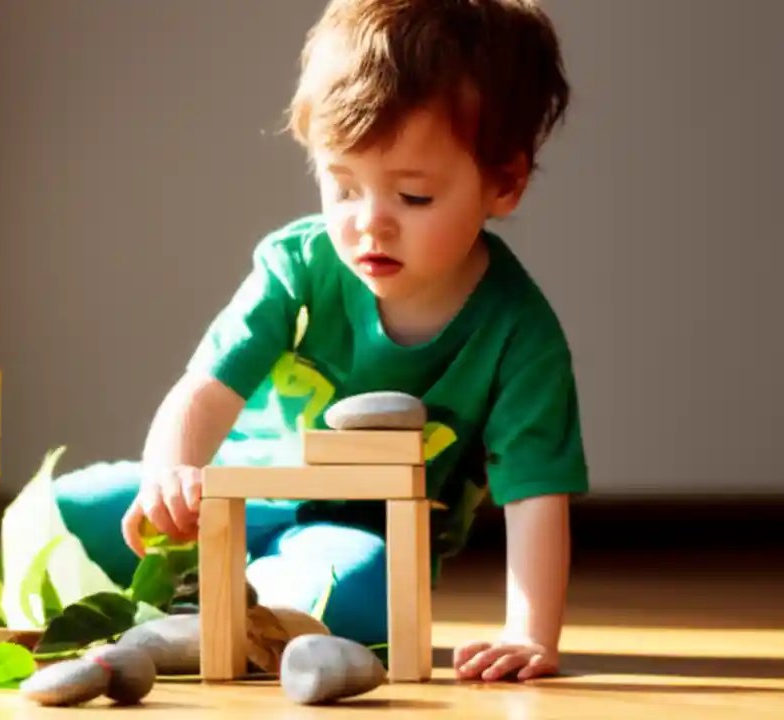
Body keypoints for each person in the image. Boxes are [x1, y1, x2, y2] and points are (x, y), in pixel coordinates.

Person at [54, 0, 587, 683]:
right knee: (80, 506)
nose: (371, 225)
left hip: (348, 540)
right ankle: (208, 603)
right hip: (230, 502)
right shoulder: (298, 264)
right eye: (341, 187)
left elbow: (536, 493)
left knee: (358, 586)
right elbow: (207, 387)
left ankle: (228, 615)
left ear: (503, 183)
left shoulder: (520, 333)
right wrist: (172, 471)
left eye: (413, 198)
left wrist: (529, 634)